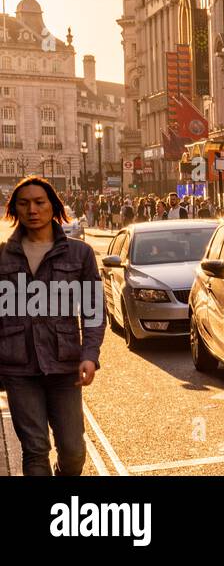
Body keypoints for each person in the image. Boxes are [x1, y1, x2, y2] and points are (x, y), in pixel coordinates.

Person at [0, 176, 105, 476]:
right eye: (24, 203)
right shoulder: (2, 256)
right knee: (35, 450)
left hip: (64, 366)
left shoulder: (79, 254)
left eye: (39, 202)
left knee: (73, 451)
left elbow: (94, 309)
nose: (32, 209)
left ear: (53, 206)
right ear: (15, 210)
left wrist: (90, 354)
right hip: (17, 368)